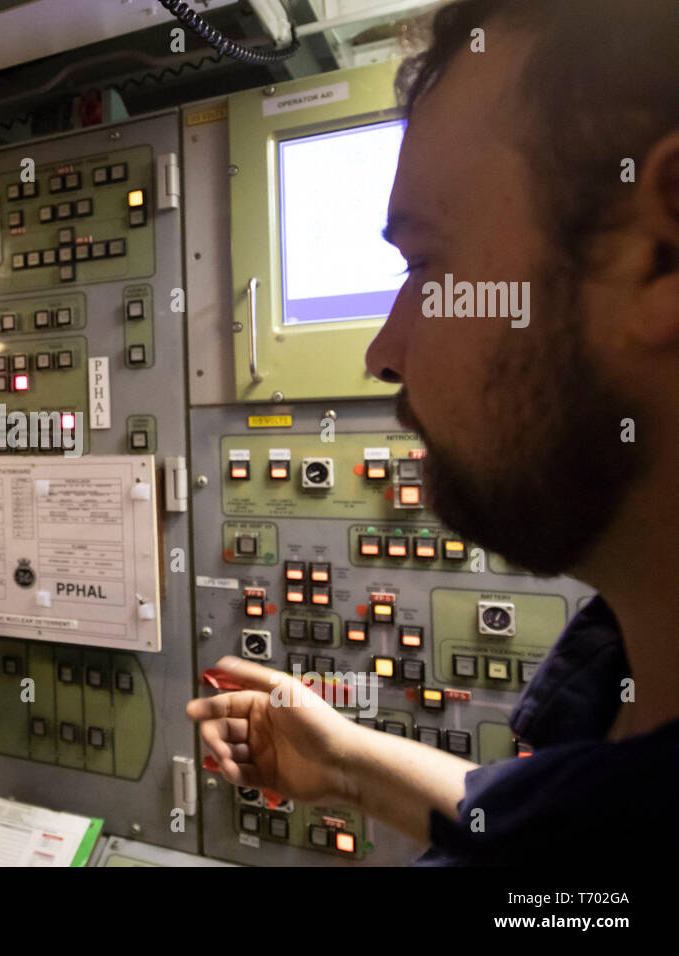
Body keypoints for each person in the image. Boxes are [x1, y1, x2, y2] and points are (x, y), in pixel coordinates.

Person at [188, 0, 679, 864]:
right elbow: (556, 825)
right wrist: (346, 762)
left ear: (660, 254)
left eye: (426, 265)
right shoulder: (620, 668)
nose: (384, 352)